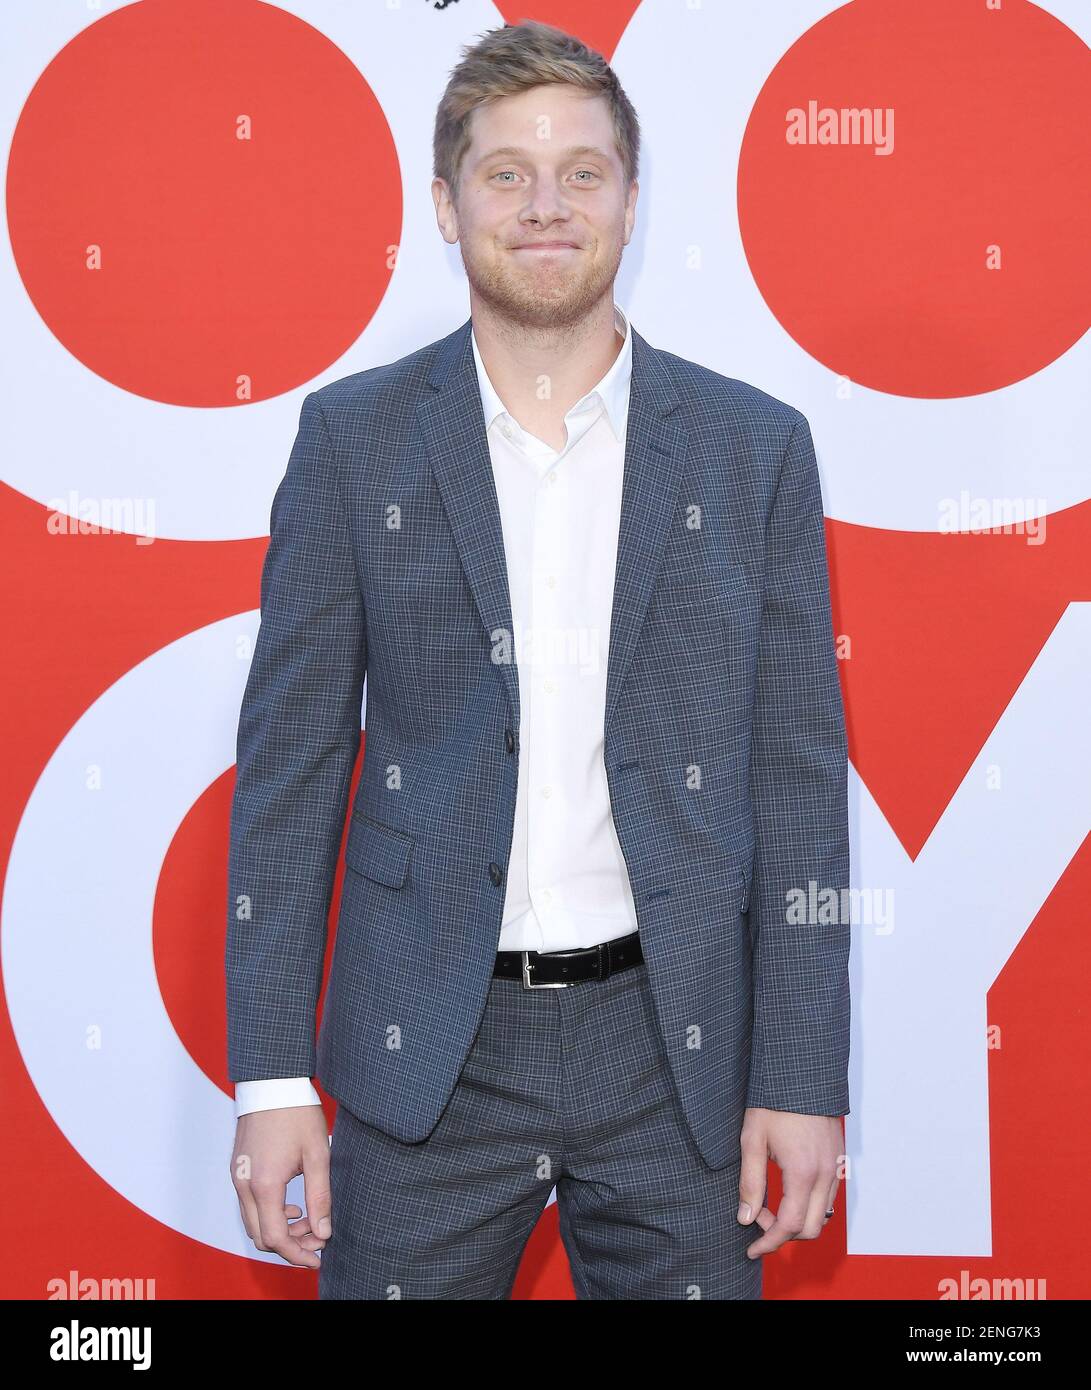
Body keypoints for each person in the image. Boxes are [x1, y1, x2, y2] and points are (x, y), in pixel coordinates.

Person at [226, 19, 850, 1301]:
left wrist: (797, 1074)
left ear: (631, 200)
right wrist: (273, 1074)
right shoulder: (352, 442)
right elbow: (288, 772)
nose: (546, 203)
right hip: (424, 1054)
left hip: (670, 1046)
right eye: (506, 172)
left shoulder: (752, 450)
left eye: (582, 170)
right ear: (445, 206)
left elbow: (797, 787)